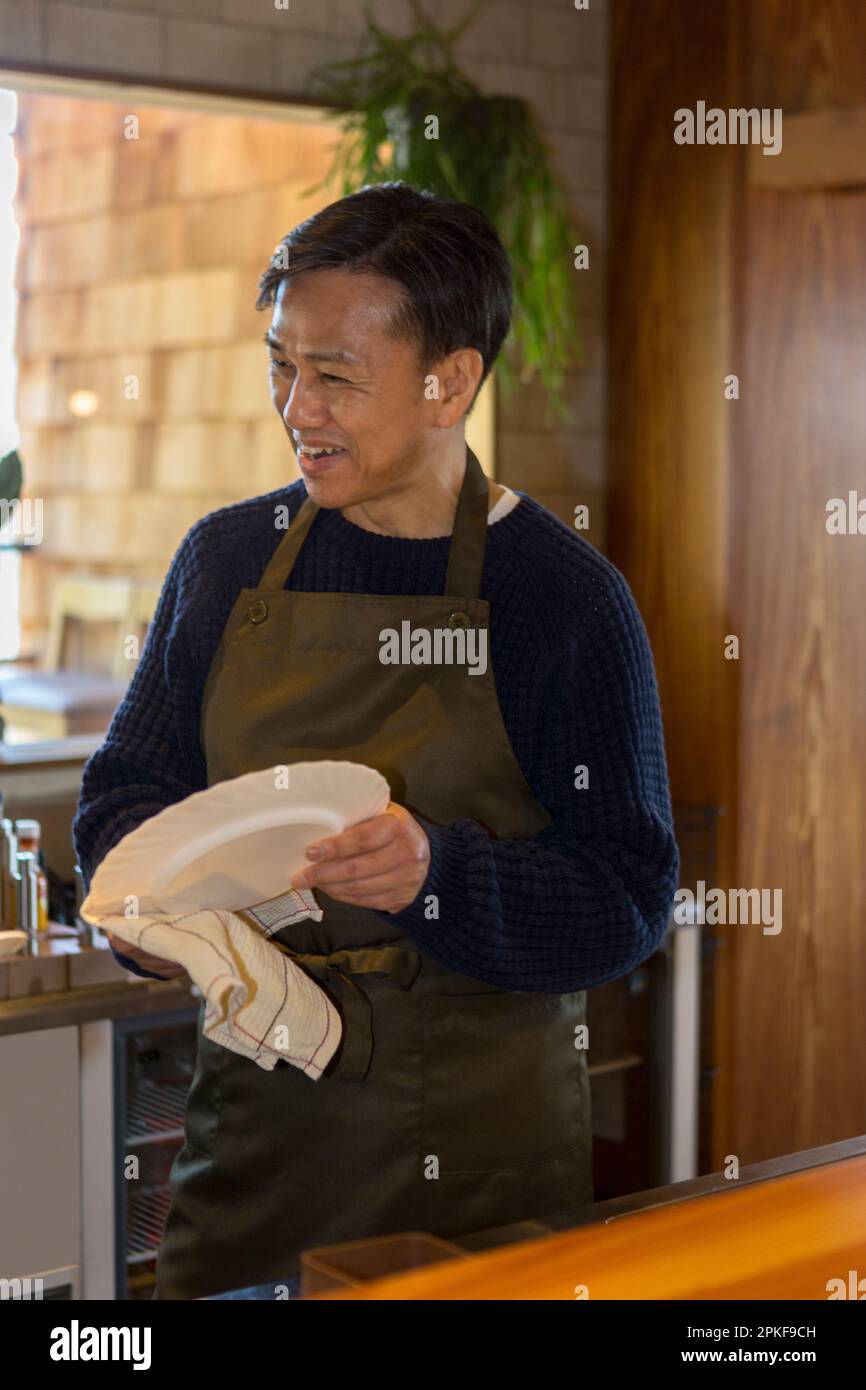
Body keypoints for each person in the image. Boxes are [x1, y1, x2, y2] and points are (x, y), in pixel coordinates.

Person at [72, 181, 680, 1300]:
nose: (296, 407)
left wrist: (437, 875)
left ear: (450, 381)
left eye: (336, 378)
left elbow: (629, 899)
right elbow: (125, 795)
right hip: (255, 1147)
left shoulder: (561, 599)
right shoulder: (224, 562)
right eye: (280, 364)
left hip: (473, 1177)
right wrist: (146, 912)